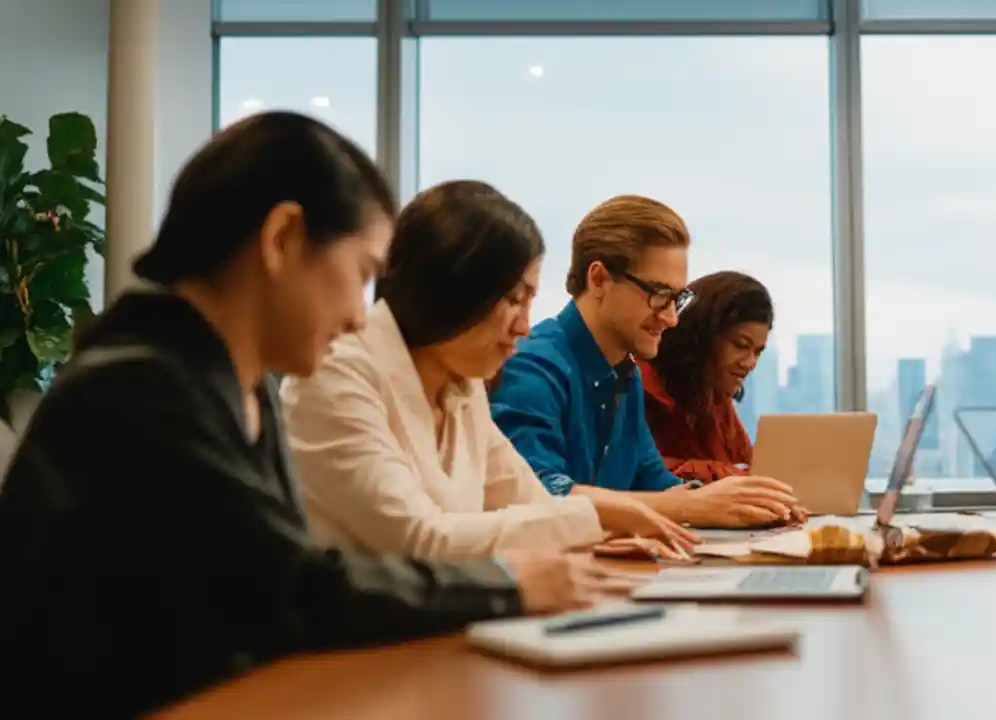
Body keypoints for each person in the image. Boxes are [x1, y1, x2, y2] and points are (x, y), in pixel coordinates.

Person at [0, 113, 618, 717]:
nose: (358, 314)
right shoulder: (137, 387)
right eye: (360, 274)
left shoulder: (230, 382)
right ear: (282, 240)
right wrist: (508, 585)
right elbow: (286, 586)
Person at [282, 180, 695, 561]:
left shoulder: (461, 385)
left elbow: (532, 502)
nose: (524, 325)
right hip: (357, 638)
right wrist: (595, 518)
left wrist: (607, 530)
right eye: (514, 299)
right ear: (454, 289)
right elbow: (417, 539)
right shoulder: (337, 373)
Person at [489, 195, 800, 528]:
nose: (670, 318)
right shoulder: (533, 368)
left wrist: (739, 502)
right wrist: (691, 506)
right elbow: (538, 494)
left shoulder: (625, 373)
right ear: (599, 280)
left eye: (676, 299)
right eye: (658, 294)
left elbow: (654, 481)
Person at [640, 271, 775, 484]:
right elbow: (637, 474)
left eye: (758, 352)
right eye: (740, 345)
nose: (750, 363)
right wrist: (721, 473)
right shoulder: (638, 387)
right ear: (702, 337)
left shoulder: (716, 396)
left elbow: (748, 474)